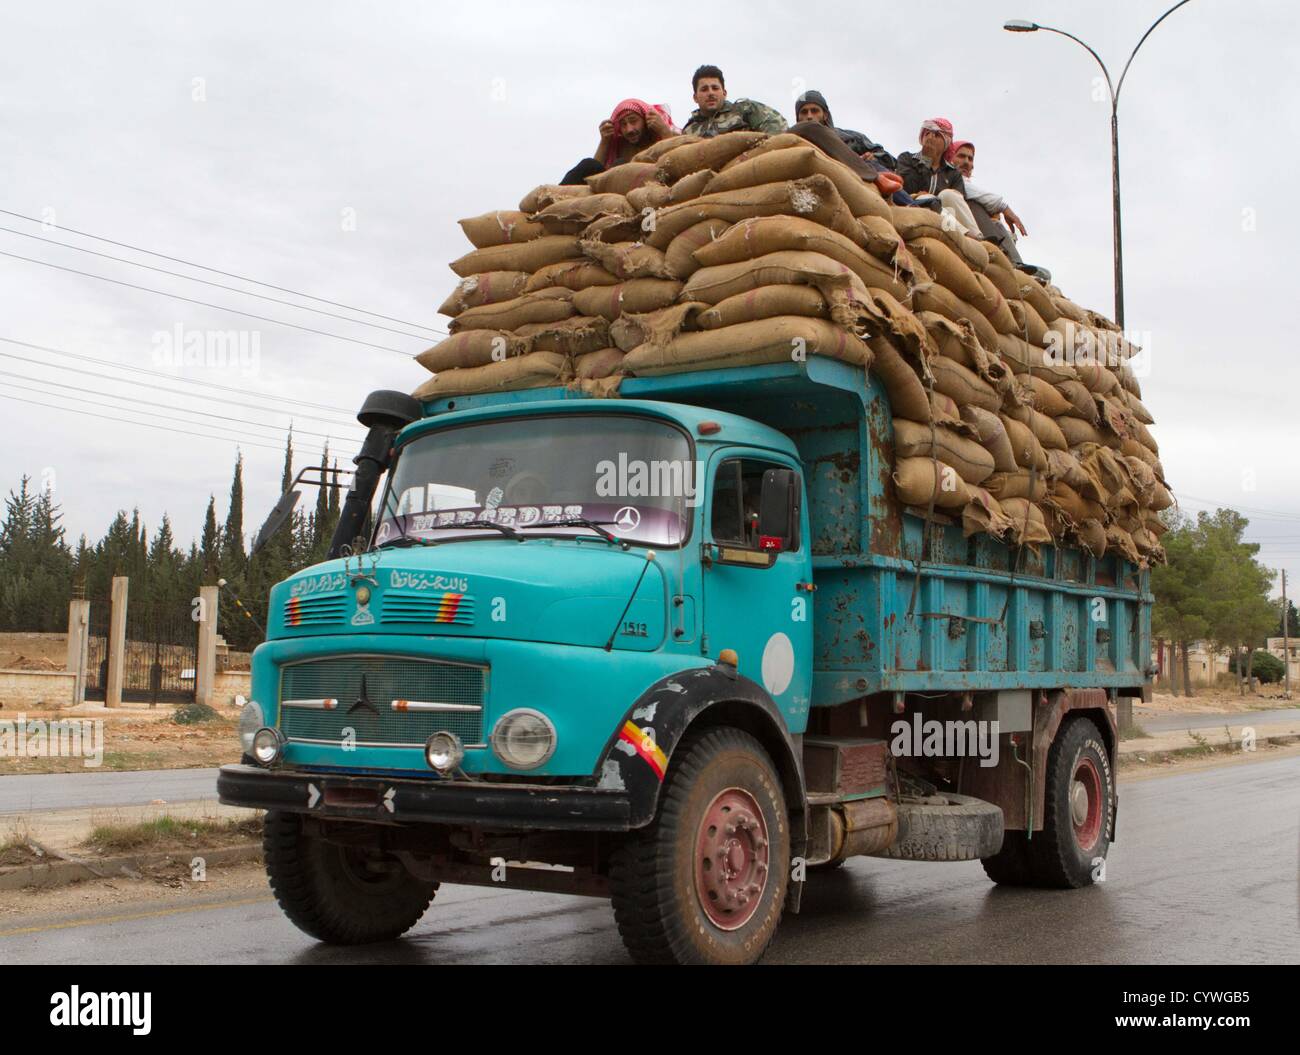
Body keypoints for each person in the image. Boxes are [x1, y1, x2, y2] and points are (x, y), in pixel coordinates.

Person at [559, 98, 679, 186]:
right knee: (589, 164)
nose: (629, 129)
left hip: (650, 185)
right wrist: (605, 141)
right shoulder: (620, 145)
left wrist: (663, 130)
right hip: (612, 189)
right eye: (623, 125)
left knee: (622, 165)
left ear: (645, 120)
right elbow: (595, 172)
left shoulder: (664, 135)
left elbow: (677, 161)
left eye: (633, 121)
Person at [896, 118, 982, 234]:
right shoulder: (907, 159)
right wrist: (926, 160)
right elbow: (908, 188)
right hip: (914, 210)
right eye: (927, 133)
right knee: (924, 199)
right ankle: (965, 235)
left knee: (948, 194)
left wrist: (934, 197)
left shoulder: (953, 173)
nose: (930, 138)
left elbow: (958, 204)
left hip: (947, 222)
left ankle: (976, 237)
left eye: (936, 134)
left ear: (946, 141)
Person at [947, 140, 1027, 264]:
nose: (967, 162)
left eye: (970, 159)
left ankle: (1014, 263)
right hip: (950, 225)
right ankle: (994, 249)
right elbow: (971, 191)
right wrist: (1004, 208)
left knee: (995, 221)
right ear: (950, 158)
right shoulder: (947, 177)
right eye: (961, 156)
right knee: (975, 204)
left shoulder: (967, 184)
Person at [793, 89, 895, 170]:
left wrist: (873, 157)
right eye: (804, 112)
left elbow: (888, 158)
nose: (809, 116)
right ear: (798, 118)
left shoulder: (852, 138)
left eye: (814, 111)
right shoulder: (791, 143)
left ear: (825, 115)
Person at [682, 65, 787, 137]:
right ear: (695, 97)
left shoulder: (745, 110)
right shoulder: (689, 130)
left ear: (724, 93)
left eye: (715, 88)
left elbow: (778, 126)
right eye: (704, 89)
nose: (710, 93)